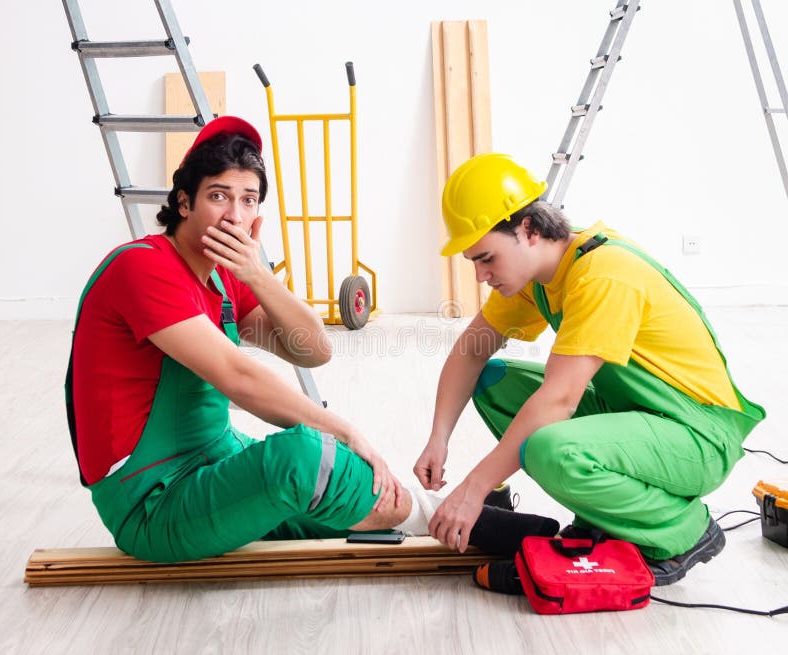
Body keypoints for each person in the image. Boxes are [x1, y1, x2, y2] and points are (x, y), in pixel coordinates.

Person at [66, 117, 553, 564]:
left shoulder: (224, 277)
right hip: (155, 499)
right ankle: (450, 518)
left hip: (213, 458)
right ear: (184, 202)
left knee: (322, 475)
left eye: (249, 199)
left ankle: (450, 513)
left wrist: (259, 275)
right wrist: (346, 431)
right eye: (218, 196)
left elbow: (312, 349)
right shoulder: (143, 267)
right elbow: (237, 377)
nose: (234, 214)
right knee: (306, 457)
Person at [414, 153, 765, 588]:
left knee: (547, 448)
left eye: (487, 258)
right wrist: (438, 438)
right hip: (641, 416)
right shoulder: (536, 276)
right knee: (494, 382)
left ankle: (683, 529)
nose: (482, 274)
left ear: (529, 230)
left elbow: (560, 399)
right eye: (474, 262)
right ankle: (607, 518)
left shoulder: (602, 275)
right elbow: (471, 352)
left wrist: (474, 489)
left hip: (696, 436)